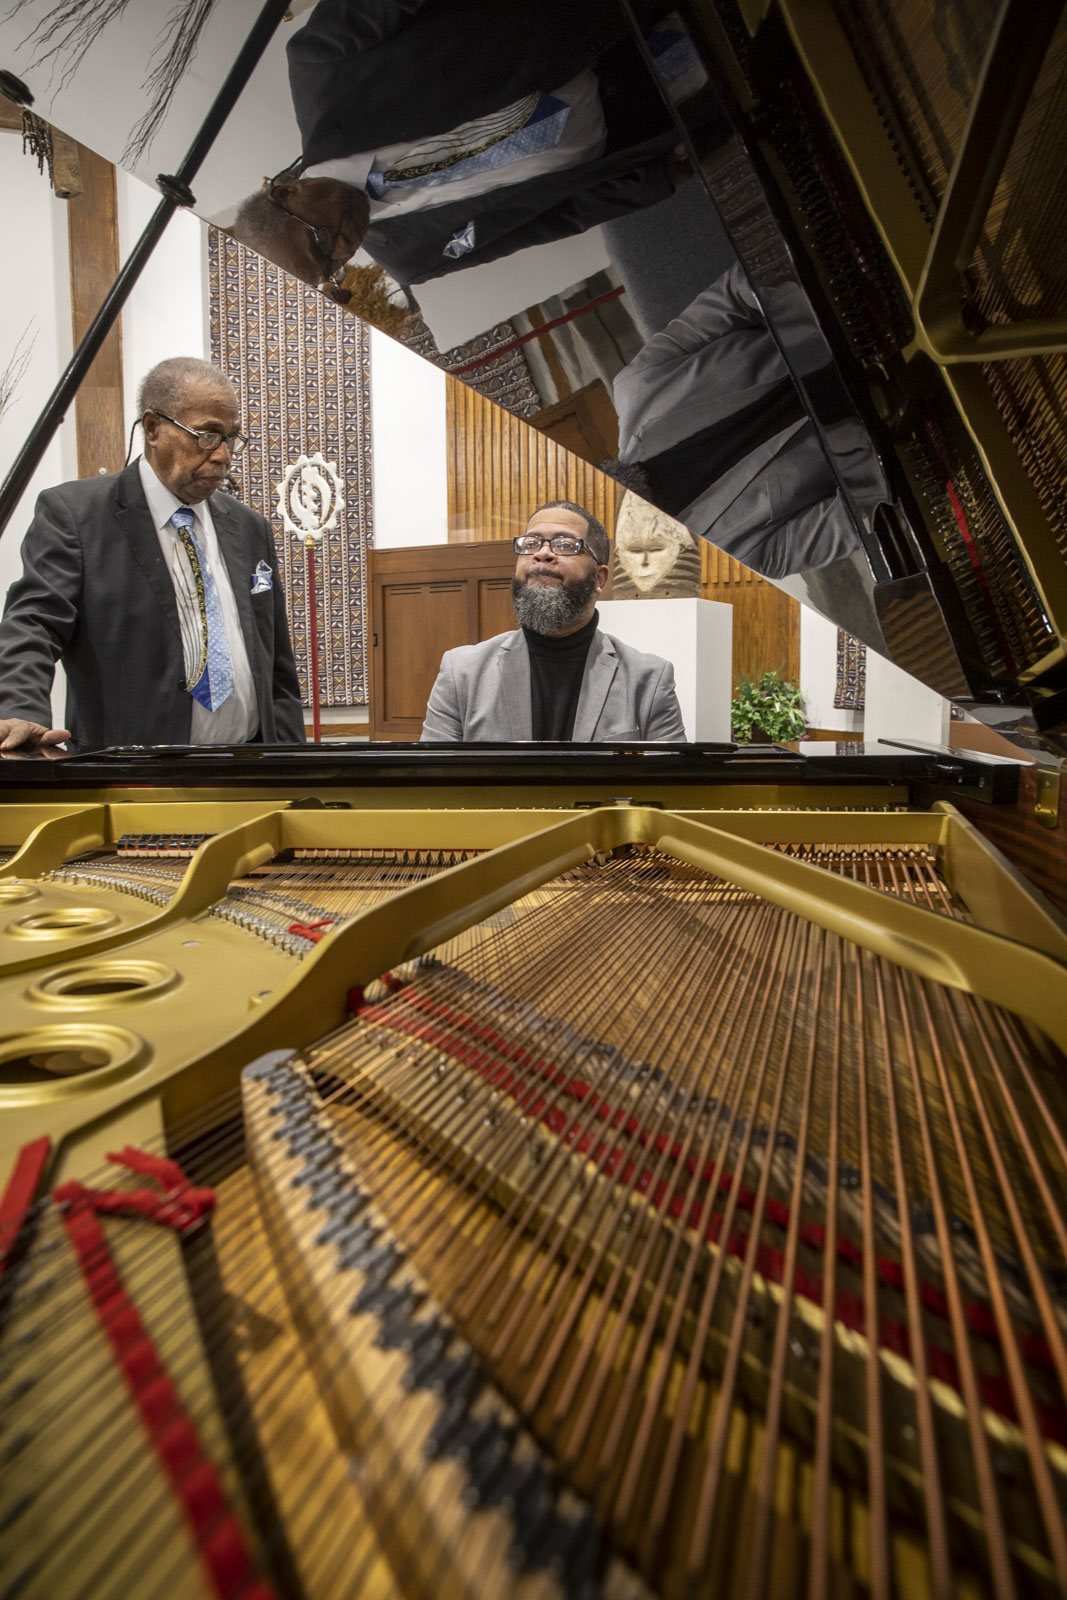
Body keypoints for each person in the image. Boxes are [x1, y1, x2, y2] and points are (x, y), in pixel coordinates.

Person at [230, 1, 717, 294]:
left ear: (287, 193)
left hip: (599, 17)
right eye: (332, 267)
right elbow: (545, 221)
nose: (343, 249)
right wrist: (653, 182)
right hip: (644, 120)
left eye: (320, 242)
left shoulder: (323, 70)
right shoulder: (410, 258)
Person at [0, 357, 306, 752]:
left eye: (231, 438)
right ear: (153, 428)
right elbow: (33, 624)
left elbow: (276, 664)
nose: (223, 455)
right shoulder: (77, 516)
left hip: (249, 766)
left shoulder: (248, 528)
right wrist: (19, 708)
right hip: (131, 778)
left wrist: (295, 763)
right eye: (207, 435)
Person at [606, 264, 888, 580]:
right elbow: (866, 514)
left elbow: (740, 289)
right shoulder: (738, 557)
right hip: (903, 412)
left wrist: (826, 308)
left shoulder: (638, 386)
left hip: (851, 298)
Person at [421, 501, 686, 741]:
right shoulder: (462, 672)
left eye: (566, 545)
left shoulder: (649, 679)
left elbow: (671, 787)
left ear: (599, 578)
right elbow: (432, 784)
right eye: (530, 543)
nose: (543, 554)